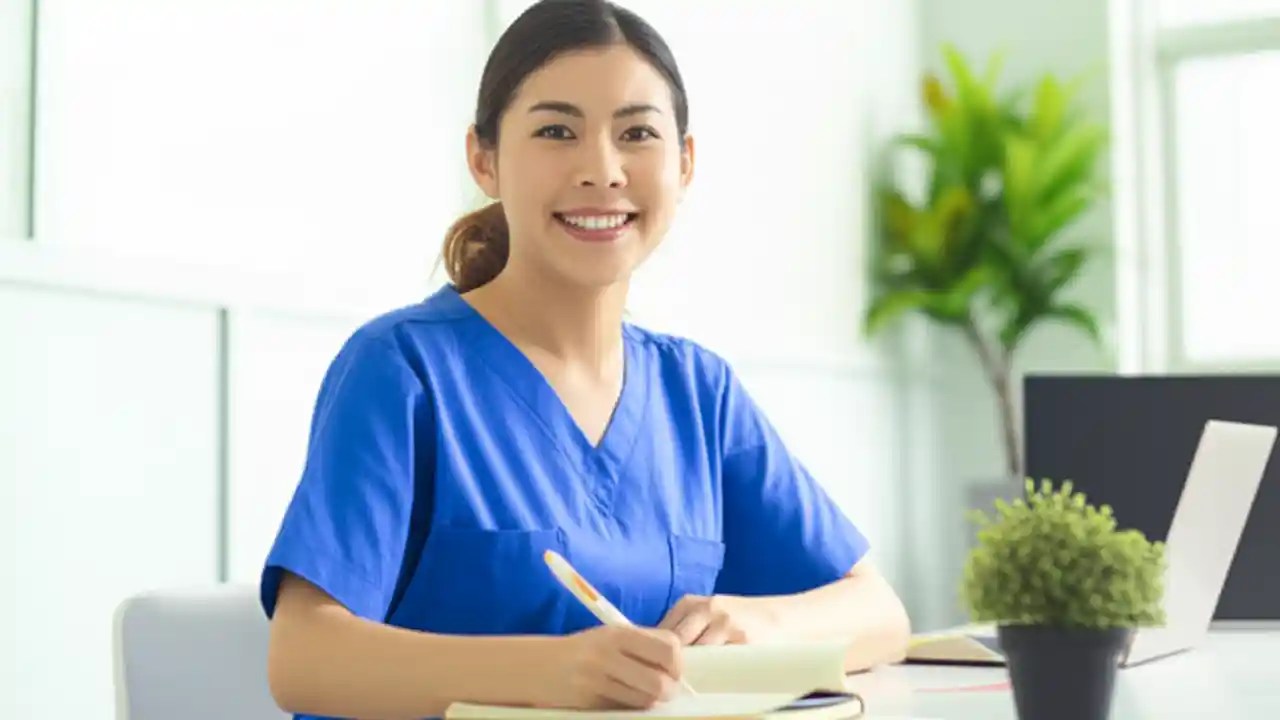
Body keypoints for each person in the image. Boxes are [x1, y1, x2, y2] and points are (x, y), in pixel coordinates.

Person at [261, 1, 911, 718]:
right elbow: (305, 657)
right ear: (484, 159)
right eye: (555, 131)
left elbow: (879, 612)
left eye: (637, 133)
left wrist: (757, 626)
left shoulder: (698, 393)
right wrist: (549, 672)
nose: (602, 171)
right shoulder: (401, 369)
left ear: (684, 162)